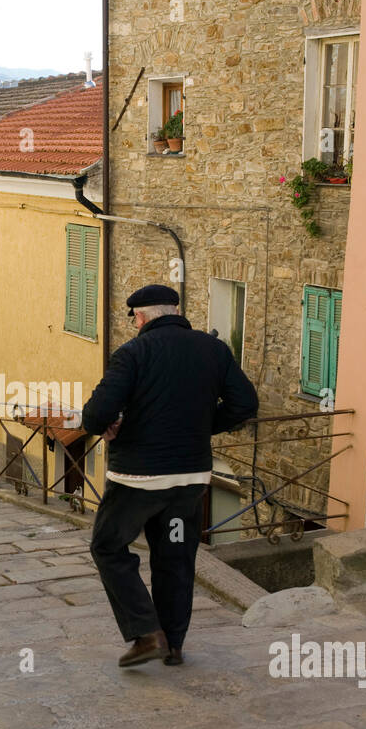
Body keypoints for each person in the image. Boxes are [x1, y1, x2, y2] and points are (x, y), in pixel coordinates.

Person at [82, 284, 259, 667]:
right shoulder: (214, 350)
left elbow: (95, 416)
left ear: (140, 317)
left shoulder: (132, 354)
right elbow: (245, 403)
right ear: (175, 311)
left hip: (138, 482)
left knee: (109, 547)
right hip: (190, 480)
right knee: (175, 558)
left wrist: (115, 424)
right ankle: (174, 645)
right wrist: (201, 426)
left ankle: (146, 633)